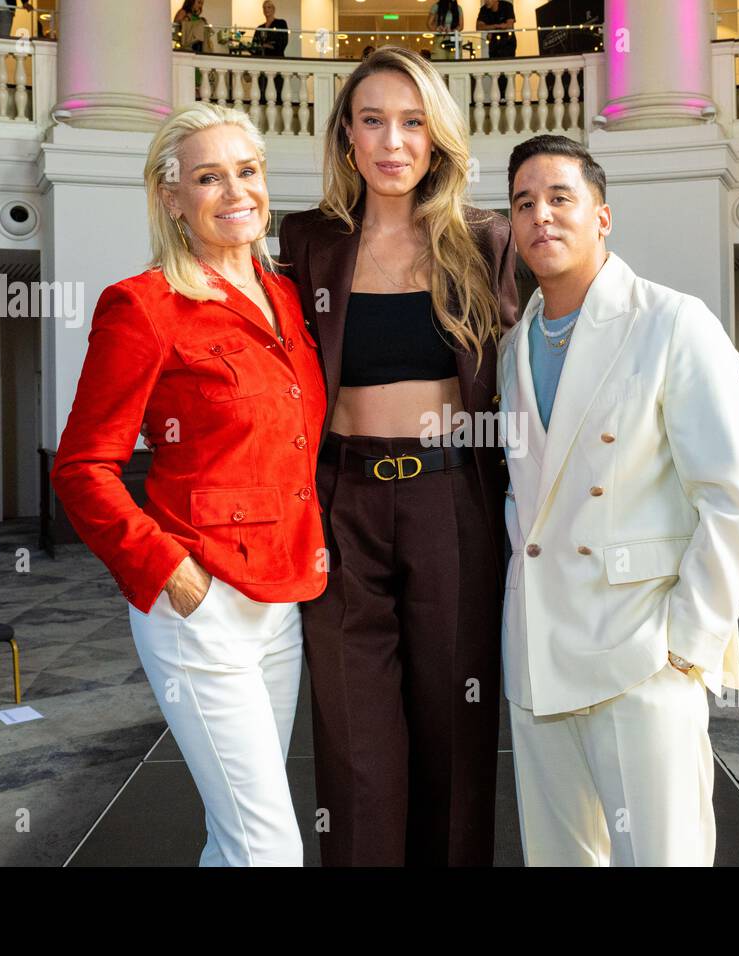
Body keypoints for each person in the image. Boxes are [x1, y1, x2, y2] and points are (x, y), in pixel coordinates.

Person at [51, 103, 327, 866]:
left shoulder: (292, 299)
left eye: (247, 171)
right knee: (268, 848)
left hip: (284, 602)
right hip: (200, 606)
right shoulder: (142, 306)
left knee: (235, 837)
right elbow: (81, 468)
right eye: (208, 177)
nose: (235, 190)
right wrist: (169, 572)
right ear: (172, 198)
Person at [278, 47, 518, 867]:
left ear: (437, 138)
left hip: (451, 501)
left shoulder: (486, 241)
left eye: (413, 122)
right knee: (353, 738)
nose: (393, 141)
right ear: (347, 136)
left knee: (454, 723)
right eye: (373, 120)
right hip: (341, 502)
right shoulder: (307, 241)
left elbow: (556, 342)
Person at [498, 134, 739, 866]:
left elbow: (735, 497)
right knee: (558, 857)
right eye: (524, 203)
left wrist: (687, 646)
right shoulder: (511, 346)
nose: (540, 217)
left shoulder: (673, 322)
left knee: (661, 856)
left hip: (641, 649)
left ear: (602, 215)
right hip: (537, 650)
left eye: (559, 198)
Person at [477, 0, 516, 102]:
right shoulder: (484, 9)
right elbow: (479, 27)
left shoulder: (507, 6)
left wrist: (490, 28)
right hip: (494, 43)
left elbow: (509, 25)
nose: (486, 2)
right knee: (495, 70)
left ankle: (507, 97)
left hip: (508, 42)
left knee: (508, 69)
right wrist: (496, 26)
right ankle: (499, 97)